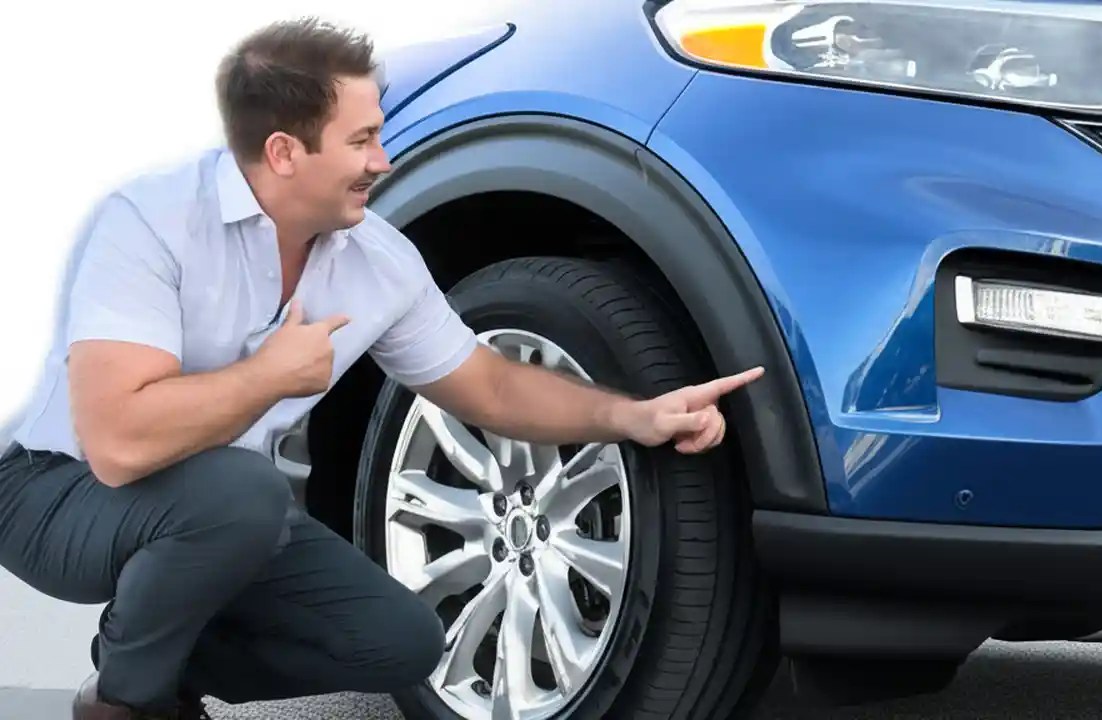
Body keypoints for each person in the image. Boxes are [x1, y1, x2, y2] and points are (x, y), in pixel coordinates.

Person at [0, 16, 763, 720]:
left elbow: (489, 384)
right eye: (361, 140)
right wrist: (267, 377)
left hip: (223, 512)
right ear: (284, 151)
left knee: (401, 642)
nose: (383, 160)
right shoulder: (152, 222)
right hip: (57, 492)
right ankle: (125, 703)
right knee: (242, 491)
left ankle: (161, 665)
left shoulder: (374, 262)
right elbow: (117, 443)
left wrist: (633, 415)